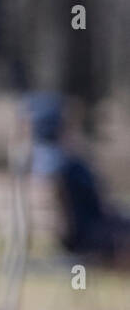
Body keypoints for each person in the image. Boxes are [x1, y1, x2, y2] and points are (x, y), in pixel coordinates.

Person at [28, 93, 130, 264]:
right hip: (89, 238)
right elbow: (99, 206)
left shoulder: (35, 164)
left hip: (72, 238)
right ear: (60, 127)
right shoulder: (71, 165)